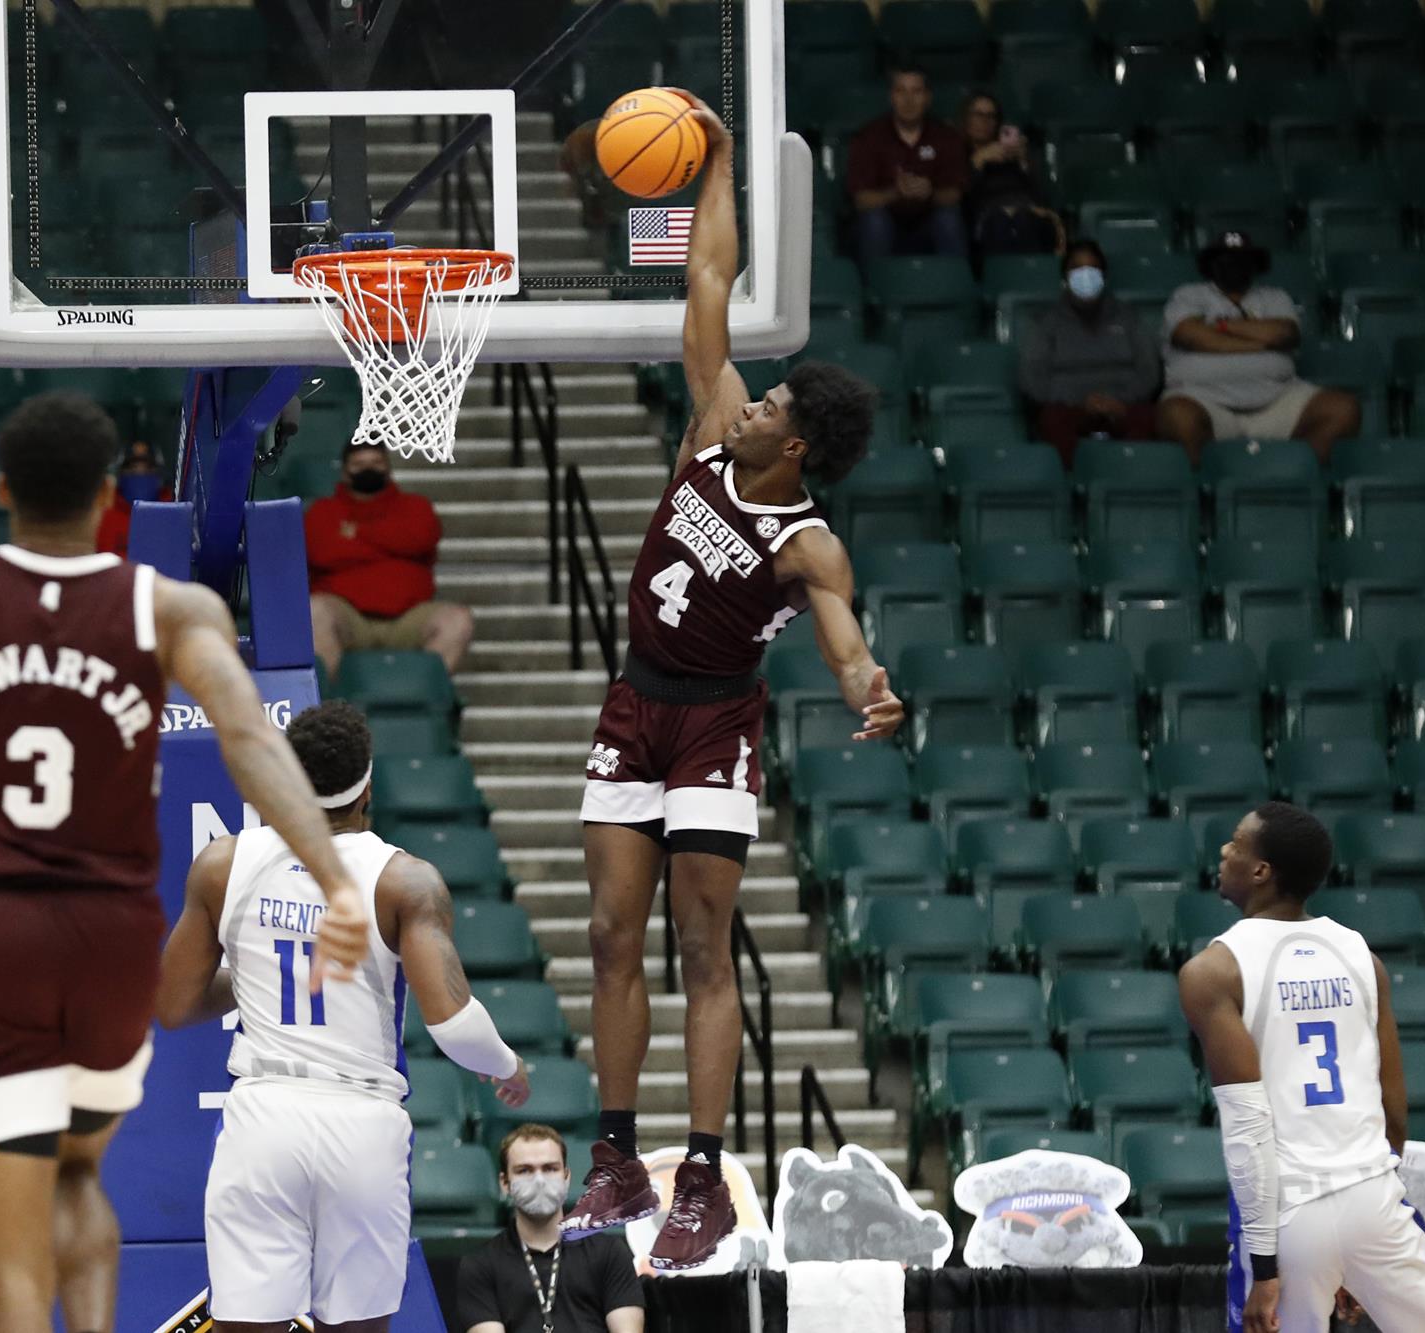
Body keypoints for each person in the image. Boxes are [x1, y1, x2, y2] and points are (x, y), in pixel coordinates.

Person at [0, 391, 372, 1333]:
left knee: (10, 1264)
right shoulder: (170, 608)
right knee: (74, 1170)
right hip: (112, 936)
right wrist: (334, 876)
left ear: (1, 487)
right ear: (109, 493)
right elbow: (253, 739)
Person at [568, 93, 902, 1271]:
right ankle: (615, 1157)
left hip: (713, 724)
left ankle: (699, 1176)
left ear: (794, 444)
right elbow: (706, 278)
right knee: (611, 933)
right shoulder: (709, 428)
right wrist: (708, 160)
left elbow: (842, 638)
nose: (749, 395)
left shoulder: (810, 540)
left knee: (700, 948)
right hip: (632, 699)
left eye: (770, 403)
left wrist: (869, 690)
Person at [154, 700, 532, 1333]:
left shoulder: (223, 864)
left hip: (264, 1116)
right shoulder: (405, 881)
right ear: (369, 783)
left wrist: (253, 980)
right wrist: (509, 1065)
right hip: (360, 1122)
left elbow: (171, 1004)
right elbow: (455, 1027)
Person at [1179, 802, 1425, 1333]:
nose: (1224, 851)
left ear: (1261, 871)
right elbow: (1394, 1110)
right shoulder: (1361, 955)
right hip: (1372, 1194)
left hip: (1289, 1212)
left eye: (1236, 844)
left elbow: (1247, 1132)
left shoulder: (1212, 971)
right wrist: (1355, 1254)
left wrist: (1266, 1269)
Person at [1157, 231, 1361, 465]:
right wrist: (1260, 342)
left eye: (1242, 259)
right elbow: (1190, 337)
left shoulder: (1275, 298)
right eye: (1225, 259)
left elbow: (1284, 334)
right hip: (1204, 400)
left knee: (1343, 409)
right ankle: (1215, 485)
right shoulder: (1188, 295)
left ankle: (1289, 475)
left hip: (1277, 400)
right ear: (1210, 264)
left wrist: (1219, 325)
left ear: (1256, 265)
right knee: (1176, 415)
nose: (1233, 265)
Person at [305, 441, 474, 678]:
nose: (368, 469)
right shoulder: (323, 511)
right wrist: (393, 546)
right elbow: (323, 554)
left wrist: (358, 534)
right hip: (350, 619)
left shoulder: (416, 507)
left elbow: (421, 538)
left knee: (457, 620)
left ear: (388, 467)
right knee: (315, 610)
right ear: (344, 471)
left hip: (408, 618)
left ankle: (418, 699)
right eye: (359, 464)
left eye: (376, 463)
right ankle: (329, 707)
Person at [459, 1127, 645, 1333]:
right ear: (504, 1183)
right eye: (524, 1170)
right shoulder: (480, 1265)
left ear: (566, 1177)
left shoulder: (610, 1253)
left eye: (550, 1169)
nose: (539, 1180)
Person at [1018, 239, 1162, 466]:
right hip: (1070, 407)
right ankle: (1078, 487)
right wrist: (1080, 402)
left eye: (1092, 269)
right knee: (1051, 421)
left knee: (1150, 418)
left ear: (1104, 276)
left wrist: (1118, 402)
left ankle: (1134, 477)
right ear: (1065, 278)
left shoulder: (1129, 317)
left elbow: (1149, 370)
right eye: (1077, 268)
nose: (1085, 275)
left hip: (1122, 405)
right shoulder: (1045, 322)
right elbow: (1033, 379)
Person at [846, 65, 968, 264]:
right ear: (891, 96)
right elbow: (860, 200)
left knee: (949, 219)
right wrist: (896, 193)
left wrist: (930, 193)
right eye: (901, 91)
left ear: (928, 97)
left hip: (929, 222)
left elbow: (955, 195)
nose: (908, 100)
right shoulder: (869, 137)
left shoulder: (946, 137)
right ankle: (874, 289)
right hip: (884, 225)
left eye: (916, 91)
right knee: (875, 221)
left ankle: (953, 286)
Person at [958, 90, 1061, 262]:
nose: (985, 121)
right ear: (966, 119)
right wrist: (976, 163)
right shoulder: (956, 152)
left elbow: (1043, 196)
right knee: (1001, 223)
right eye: (978, 114)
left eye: (991, 116)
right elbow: (959, 198)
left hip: (1027, 212)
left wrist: (1024, 163)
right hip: (986, 218)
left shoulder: (1012, 155)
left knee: (1025, 220)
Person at [94, 439, 166, 558]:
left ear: (159, 475)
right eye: (133, 468)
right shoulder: (102, 517)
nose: (140, 473)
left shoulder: (173, 515)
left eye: (147, 469)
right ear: (120, 473)